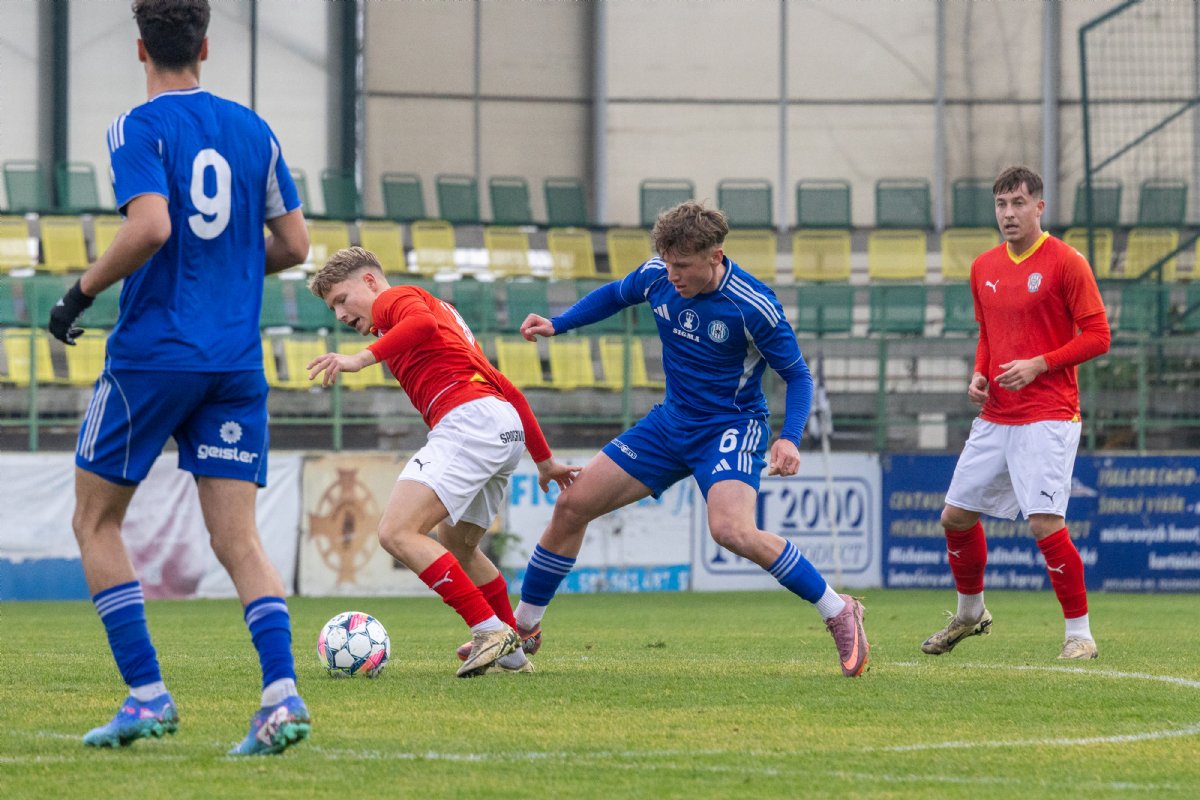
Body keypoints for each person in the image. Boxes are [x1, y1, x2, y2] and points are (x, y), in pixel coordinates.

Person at [47, 0, 312, 755]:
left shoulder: (137, 127)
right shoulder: (255, 131)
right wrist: (230, 269)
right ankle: (281, 697)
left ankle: (147, 695)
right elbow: (296, 245)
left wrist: (78, 295)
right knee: (239, 539)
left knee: (95, 521)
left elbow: (152, 226)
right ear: (206, 46)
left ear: (141, 49)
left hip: (154, 356)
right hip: (235, 362)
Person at [511, 200, 870, 678]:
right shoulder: (657, 275)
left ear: (715, 256)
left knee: (731, 531)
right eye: (667, 262)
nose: (672, 274)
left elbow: (798, 376)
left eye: (682, 265)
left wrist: (789, 438)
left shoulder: (753, 305)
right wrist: (559, 323)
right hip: (670, 423)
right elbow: (616, 294)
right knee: (572, 505)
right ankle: (523, 628)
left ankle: (838, 610)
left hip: (731, 426)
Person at [306, 247, 578, 677]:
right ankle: (511, 650)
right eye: (332, 308)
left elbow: (421, 325)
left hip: (469, 422)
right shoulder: (438, 314)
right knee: (459, 544)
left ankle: (489, 630)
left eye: (341, 299)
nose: (340, 314)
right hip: (500, 425)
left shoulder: (397, 300)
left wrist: (360, 358)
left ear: (370, 281)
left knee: (397, 531)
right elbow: (507, 387)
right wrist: (543, 461)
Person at [921, 165, 1110, 661]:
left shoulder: (1066, 262)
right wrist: (979, 374)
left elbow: (1098, 336)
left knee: (1044, 524)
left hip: (1049, 414)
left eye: (1018, 203)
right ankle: (970, 614)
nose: (1008, 213)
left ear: (1039, 207)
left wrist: (1040, 364)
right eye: (1001, 204)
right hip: (997, 414)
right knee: (955, 517)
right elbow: (988, 334)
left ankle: (1080, 635)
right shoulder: (983, 266)